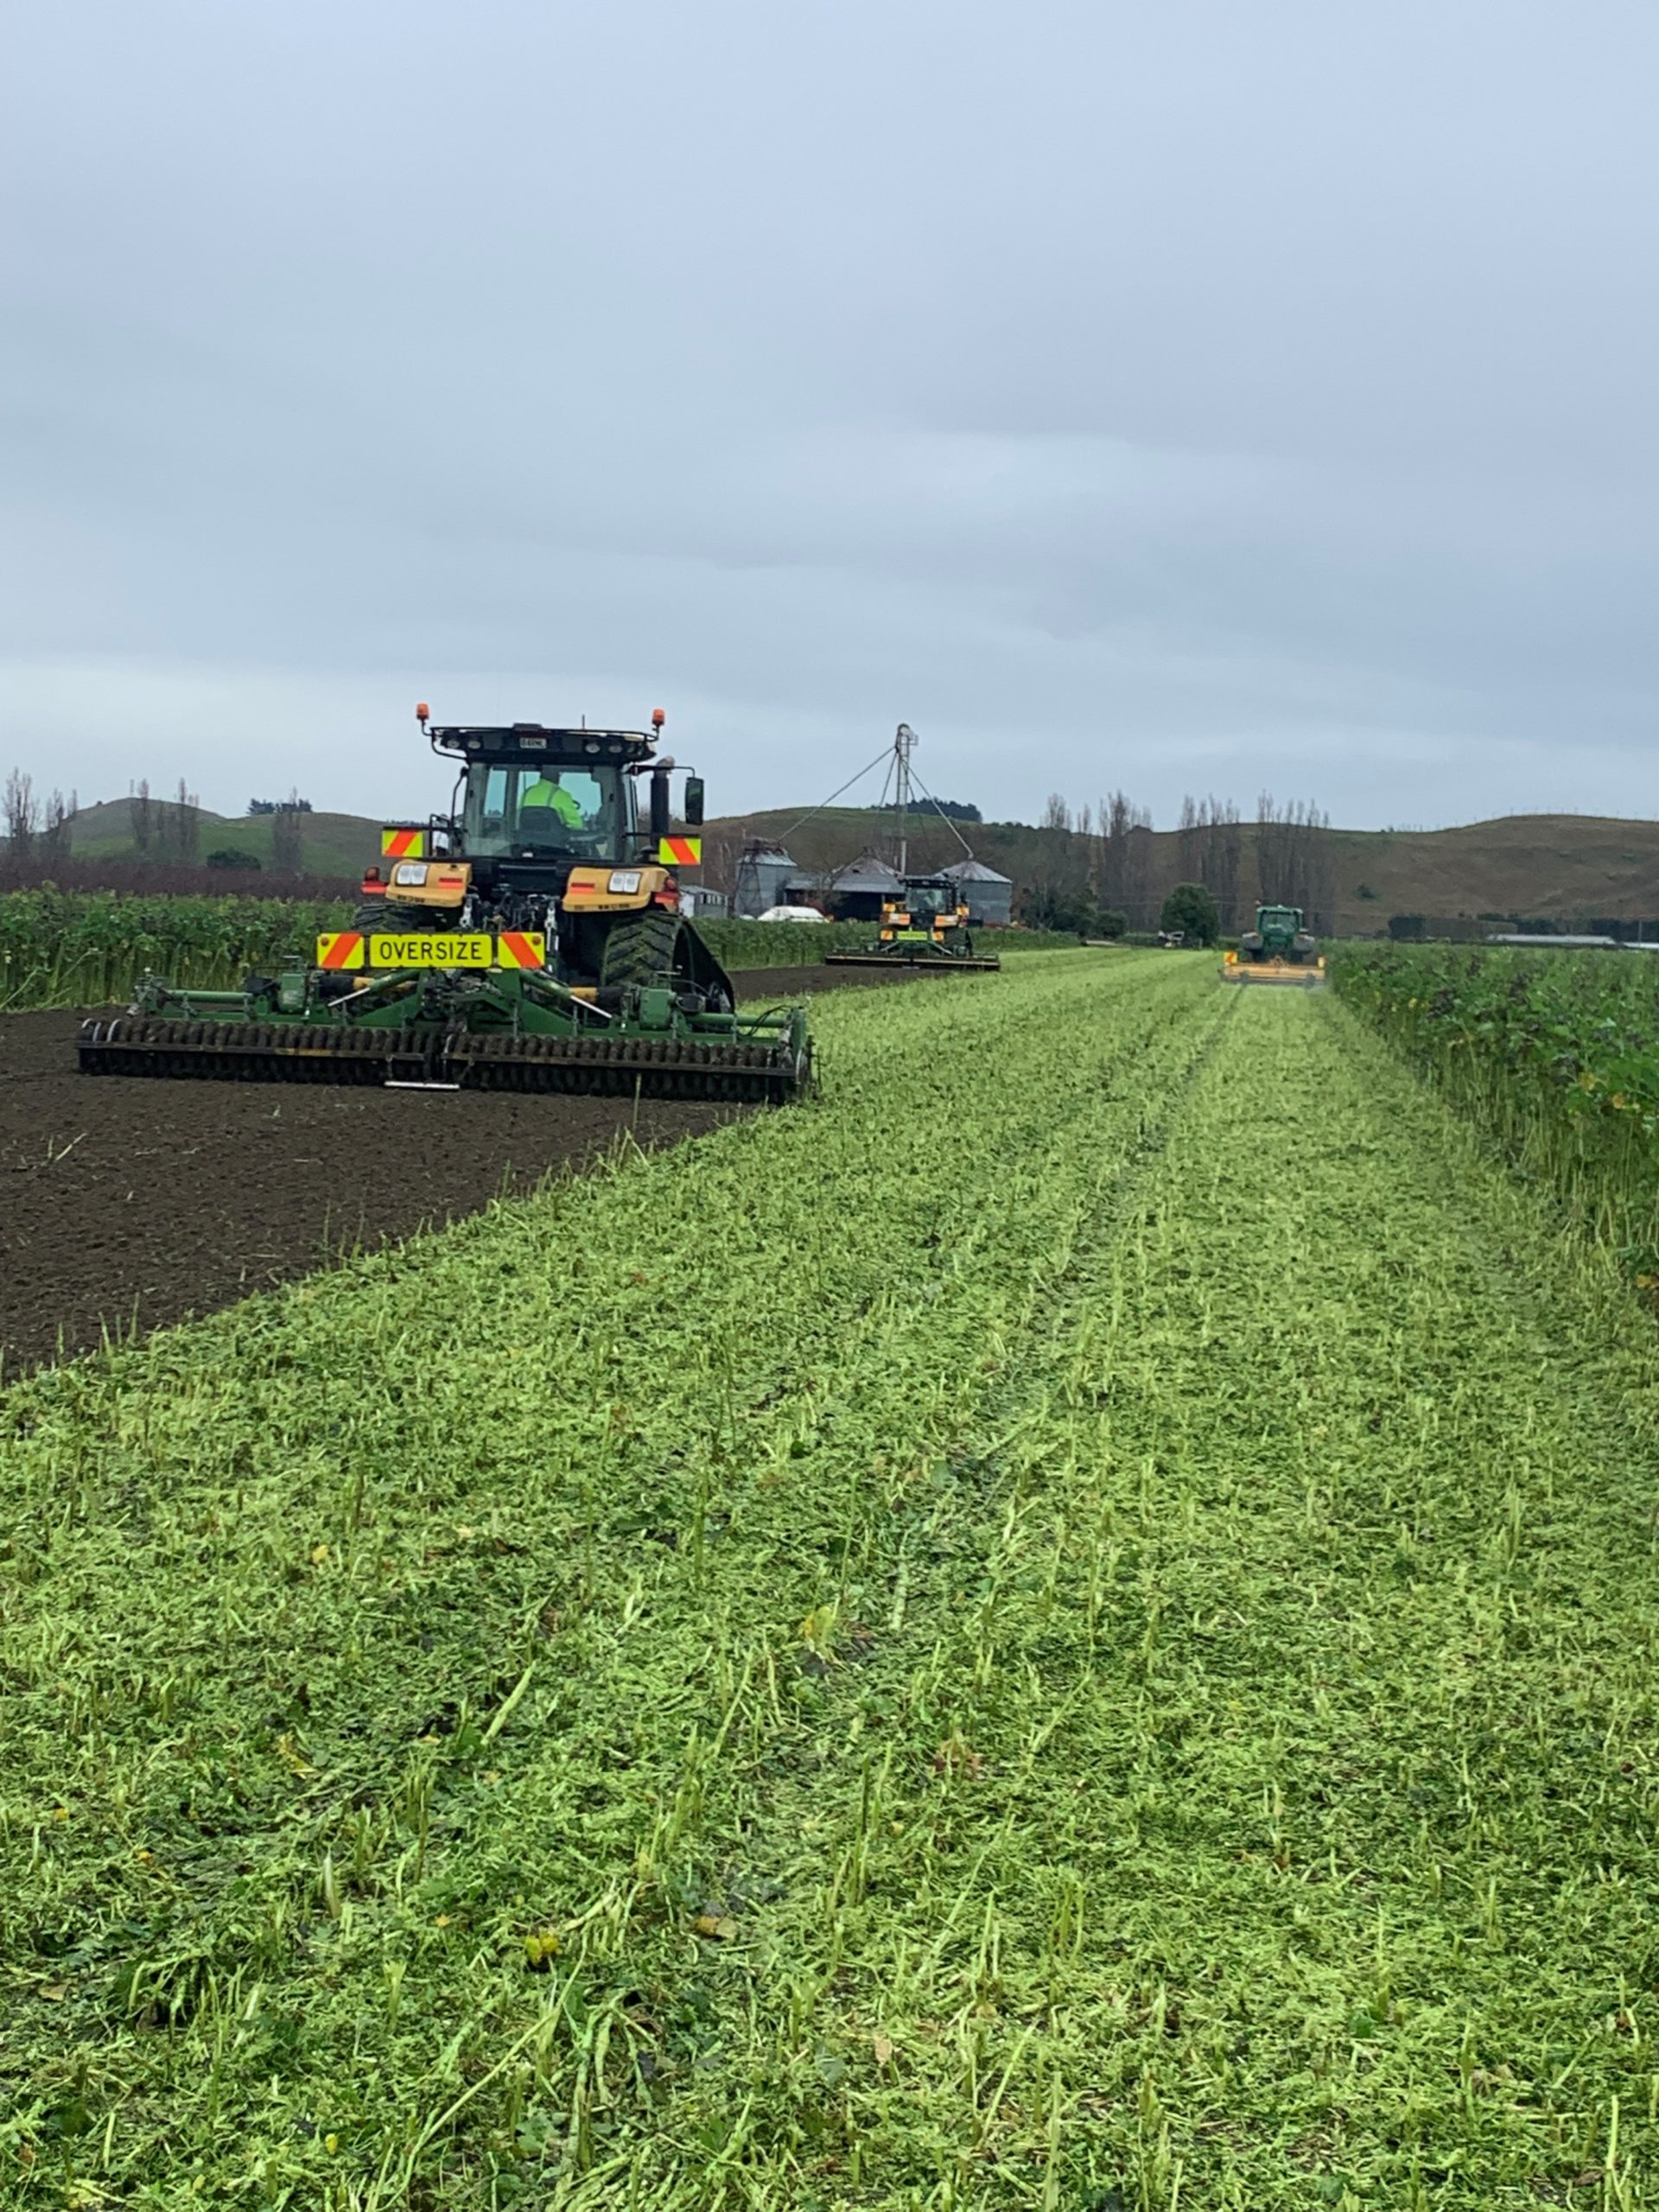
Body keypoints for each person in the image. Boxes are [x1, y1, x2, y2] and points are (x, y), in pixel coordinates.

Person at [518, 773, 585, 832]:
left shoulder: (526, 793)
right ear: (557, 776)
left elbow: (515, 817)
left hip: (525, 843)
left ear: (541, 775)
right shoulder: (562, 795)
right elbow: (577, 825)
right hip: (555, 845)